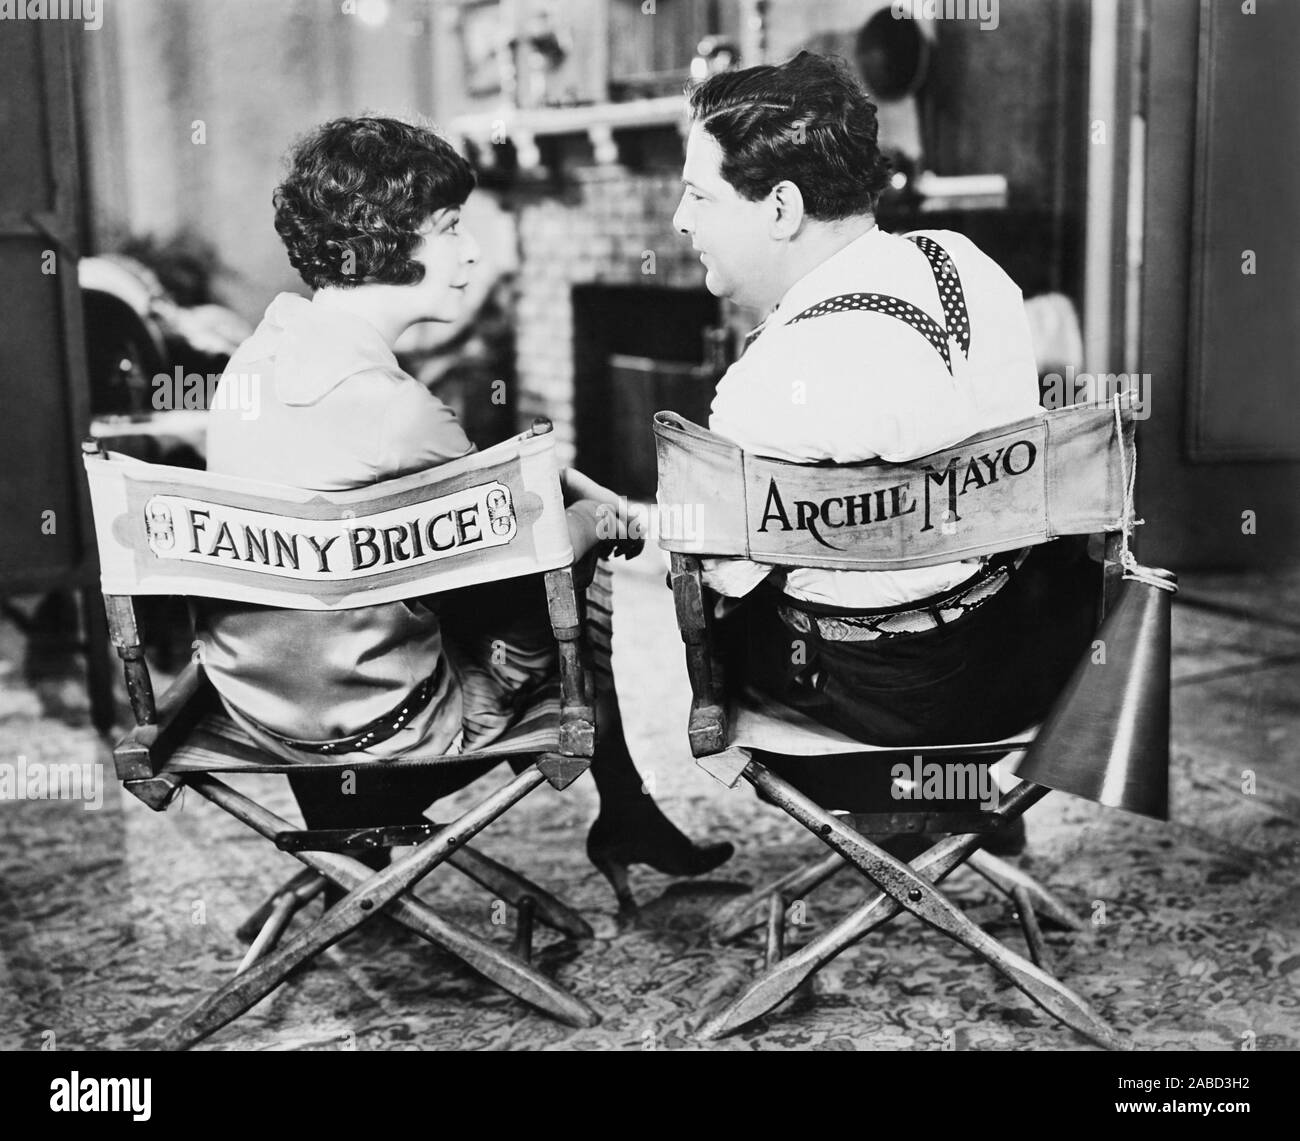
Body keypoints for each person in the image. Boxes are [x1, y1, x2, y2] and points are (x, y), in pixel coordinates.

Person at [195, 116, 730, 906]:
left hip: (266, 711)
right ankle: (624, 811)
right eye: (450, 228)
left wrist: (531, 477)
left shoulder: (258, 360)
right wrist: (600, 522)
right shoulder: (401, 414)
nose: (473, 251)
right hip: (380, 743)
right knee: (573, 581)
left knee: (541, 517)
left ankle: (626, 813)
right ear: (383, 241)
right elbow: (524, 554)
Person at [670, 54, 1099, 821]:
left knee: (712, 595)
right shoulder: (972, 269)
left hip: (868, 704)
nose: (680, 218)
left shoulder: (762, 387)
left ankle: (911, 800)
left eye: (699, 193)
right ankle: (965, 801)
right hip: (1029, 668)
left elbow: (725, 587)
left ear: (780, 208)